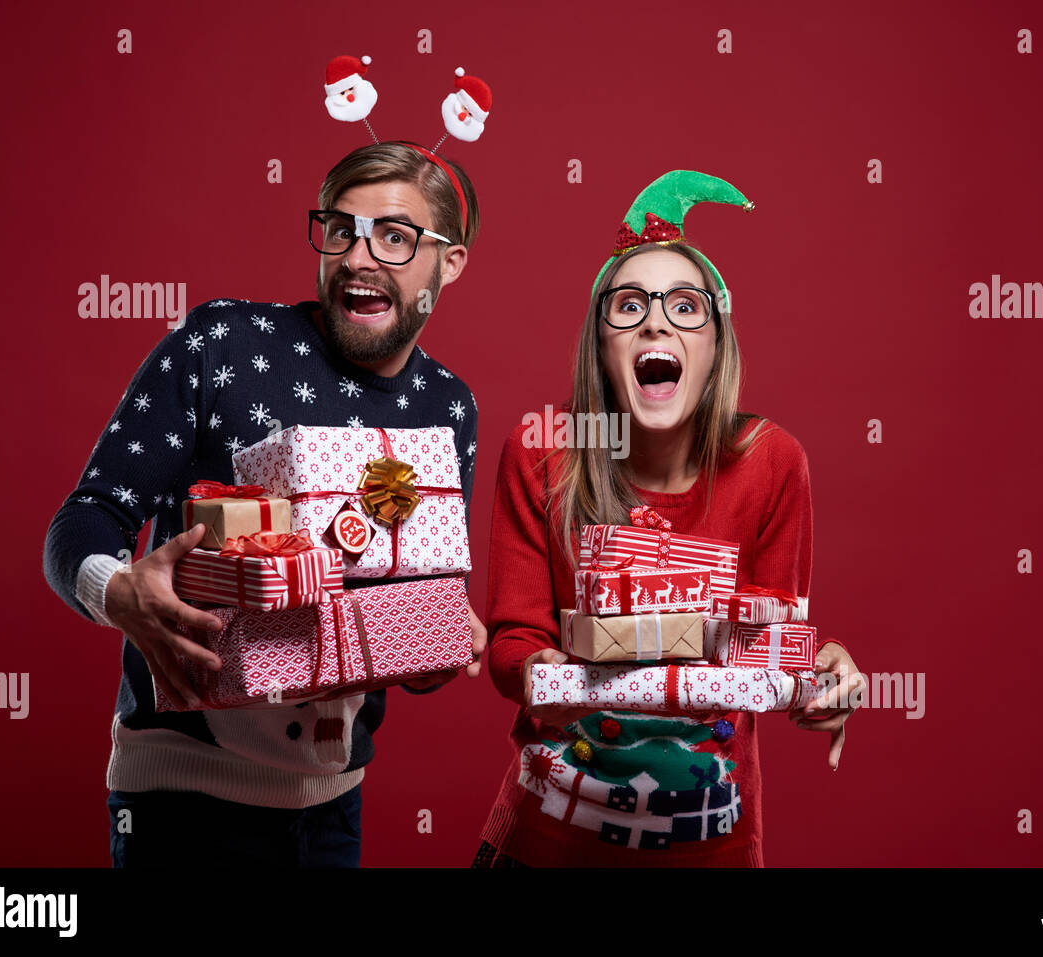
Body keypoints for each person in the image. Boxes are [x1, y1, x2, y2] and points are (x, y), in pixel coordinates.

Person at [42, 141, 487, 868]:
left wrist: (439, 636)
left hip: (332, 804)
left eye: (395, 236)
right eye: (340, 229)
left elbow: (406, 631)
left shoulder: (450, 409)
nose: (357, 257)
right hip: (180, 802)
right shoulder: (222, 343)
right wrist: (117, 590)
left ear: (451, 262)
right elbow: (82, 520)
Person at [475, 171, 865, 867]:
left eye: (685, 307)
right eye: (629, 306)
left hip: (710, 843)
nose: (656, 321)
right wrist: (552, 675)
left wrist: (820, 672)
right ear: (600, 344)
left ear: (717, 345)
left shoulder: (774, 461)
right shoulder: (543, 451)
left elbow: (774, 637)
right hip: (548, 840)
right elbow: (512, 642)